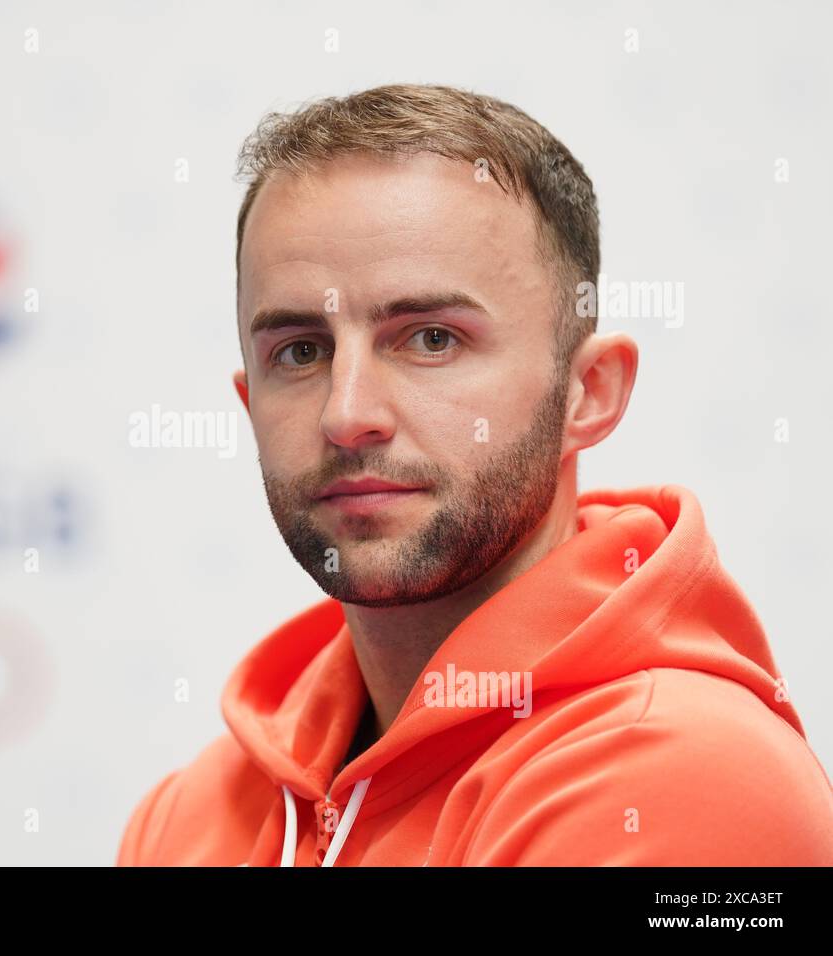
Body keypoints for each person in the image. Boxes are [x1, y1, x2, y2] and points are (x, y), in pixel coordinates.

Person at [116, 83, 833, 866]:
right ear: (249, 402)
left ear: (588, 393)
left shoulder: (684, 779)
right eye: (301, 351)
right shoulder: (189, 816)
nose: (346, 414)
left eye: (430, 338)